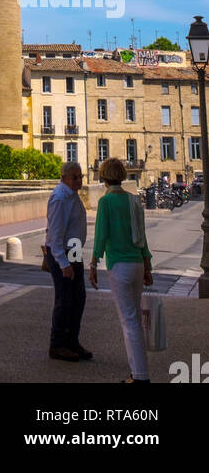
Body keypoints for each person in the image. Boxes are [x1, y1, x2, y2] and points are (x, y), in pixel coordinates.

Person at [89, 157, 153, 384]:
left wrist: (94, 263)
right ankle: (136, 373)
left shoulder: (106, 202)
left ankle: (140, 377)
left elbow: (100, 235)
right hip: (136, 264)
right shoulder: (133, 200)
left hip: (119, 265)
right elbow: (142, 236)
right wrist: (148, 266)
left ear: (104, 177)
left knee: (130, 322)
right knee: (133, 319)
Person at [44, 161, 91, 362]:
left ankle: (71, 341)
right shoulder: (60, 198)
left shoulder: (71, 196)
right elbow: (55, 236)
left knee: (78, 299)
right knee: (64, 301)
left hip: (73, 251)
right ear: (63, 178)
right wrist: (64, 264)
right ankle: (57, 345)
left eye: (80, 176)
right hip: (63, 252)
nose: (79, 180)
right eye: (75, 177)